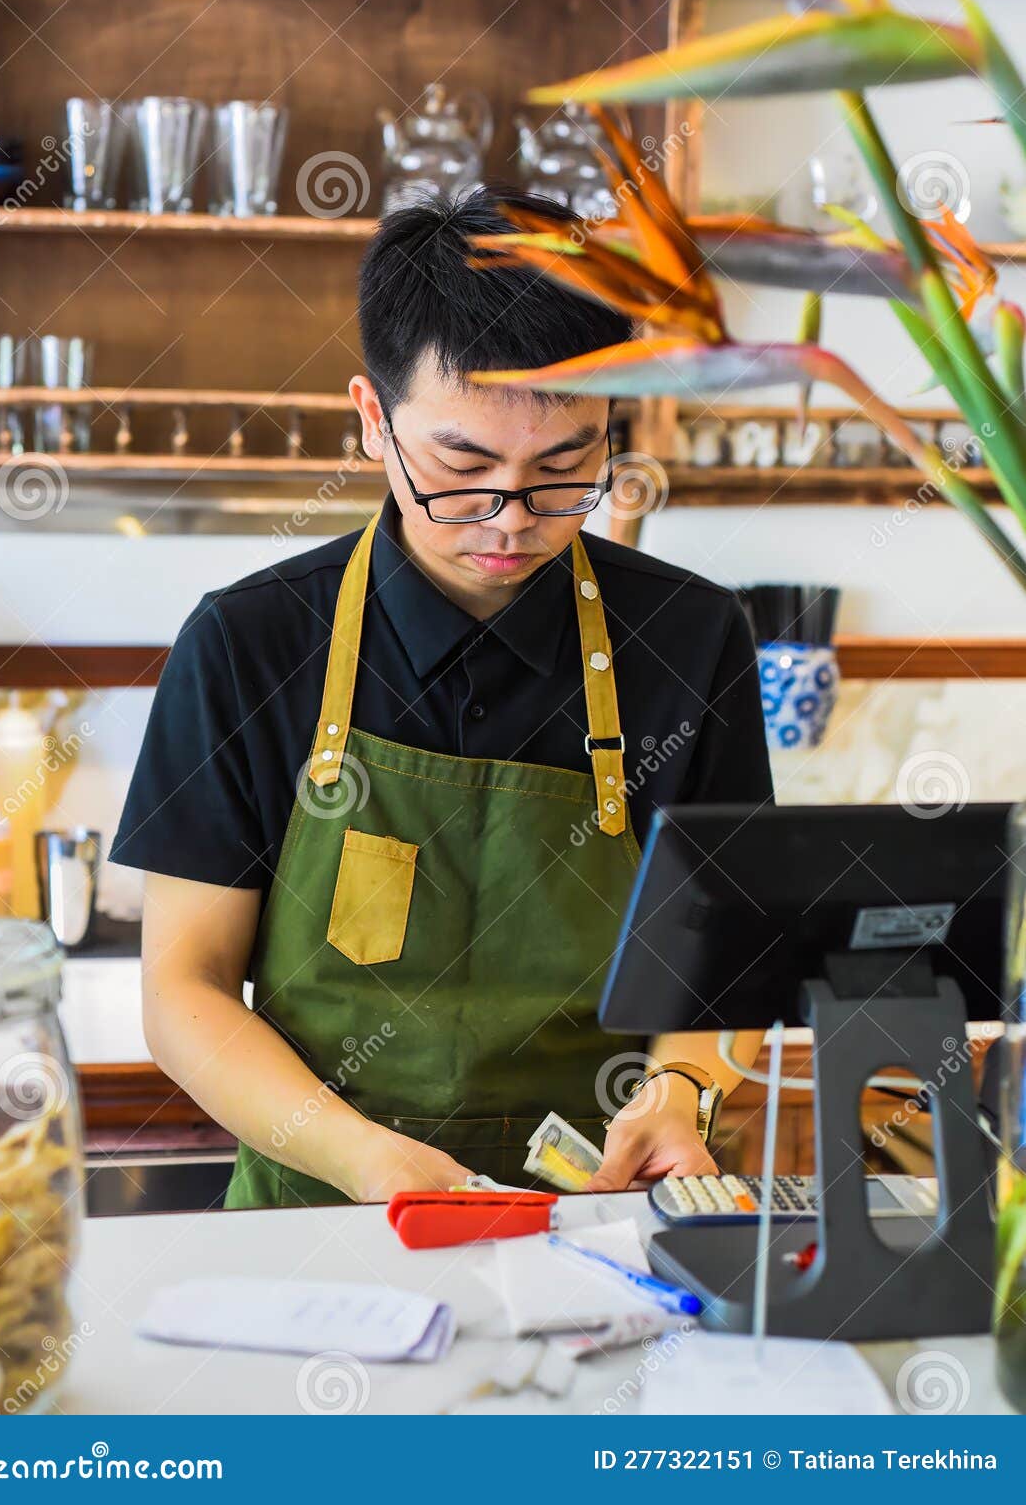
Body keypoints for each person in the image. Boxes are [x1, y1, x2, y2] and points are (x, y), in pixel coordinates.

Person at [112, 187, 773, 1208]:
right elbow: (182, 989)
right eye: (462, 468)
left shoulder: (689, 636)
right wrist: (360, 1155)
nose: (511, 519)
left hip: (600, 1209)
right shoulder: (249, 643)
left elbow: (722, 957)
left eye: (564, 468)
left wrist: (682, 1088)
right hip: (322, 1208)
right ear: (373, 421)